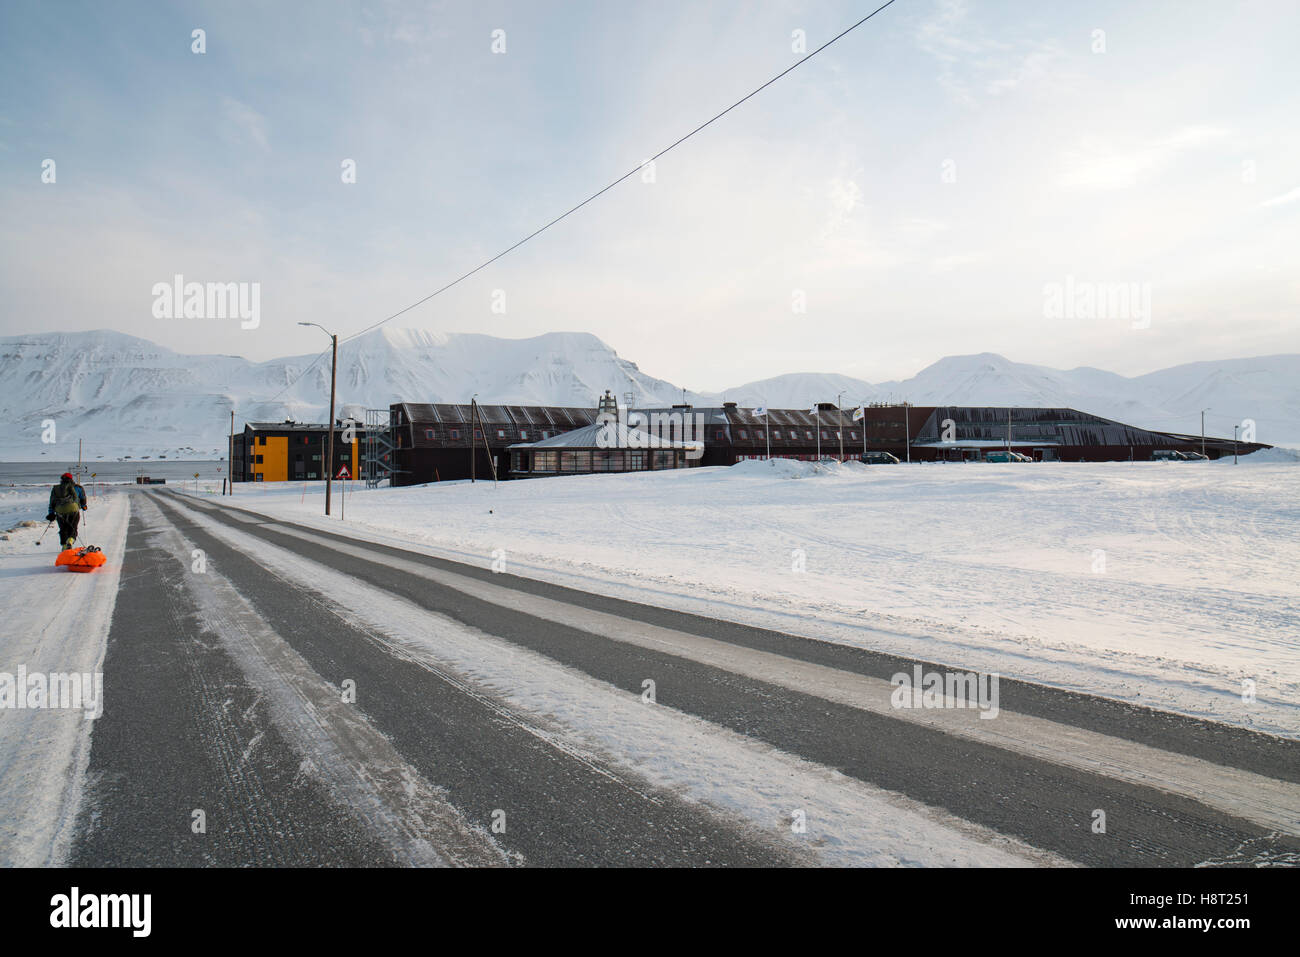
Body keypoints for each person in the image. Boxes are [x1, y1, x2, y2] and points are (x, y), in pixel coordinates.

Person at [47, 472, 88, 548]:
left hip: (60, 511)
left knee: (63, 529)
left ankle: (64, 545)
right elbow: (82, 498)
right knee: (73, 527)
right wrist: (83, 506)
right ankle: (71, 540)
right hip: (73, 510)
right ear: (71, 479)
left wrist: (51, 513)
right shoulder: (78, 487)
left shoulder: (56, 488)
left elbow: (52, 502)